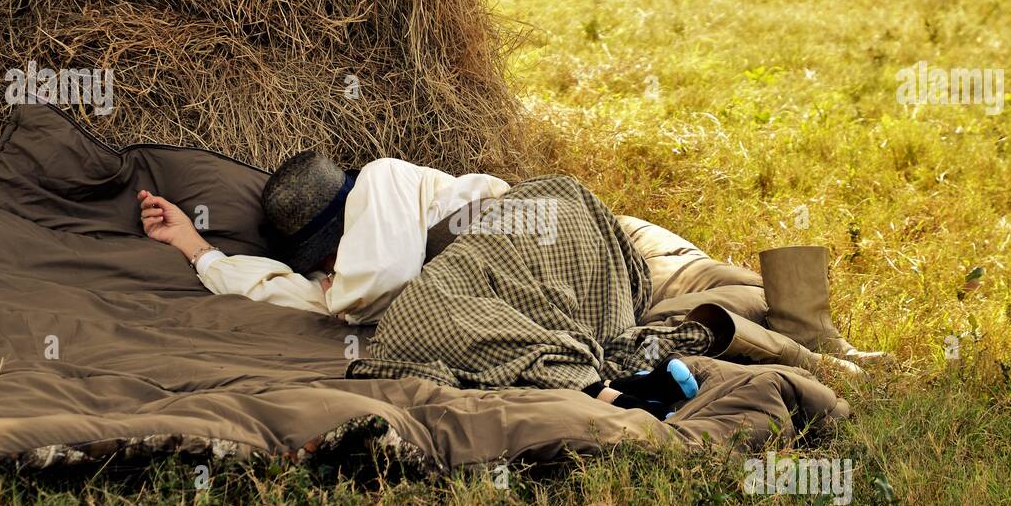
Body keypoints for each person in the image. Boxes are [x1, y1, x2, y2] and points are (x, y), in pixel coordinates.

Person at [139, 151, 884, 420]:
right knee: (699, 292)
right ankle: (650, 380)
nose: (326, 276)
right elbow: (289, 296)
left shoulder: (383, 188)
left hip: (547, 226)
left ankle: (824, 344)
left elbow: (382, 282)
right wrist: (200, 250)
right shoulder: (349, 278)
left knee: (410, 328)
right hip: (555, 281)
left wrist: (335, 289)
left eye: (324, 257)